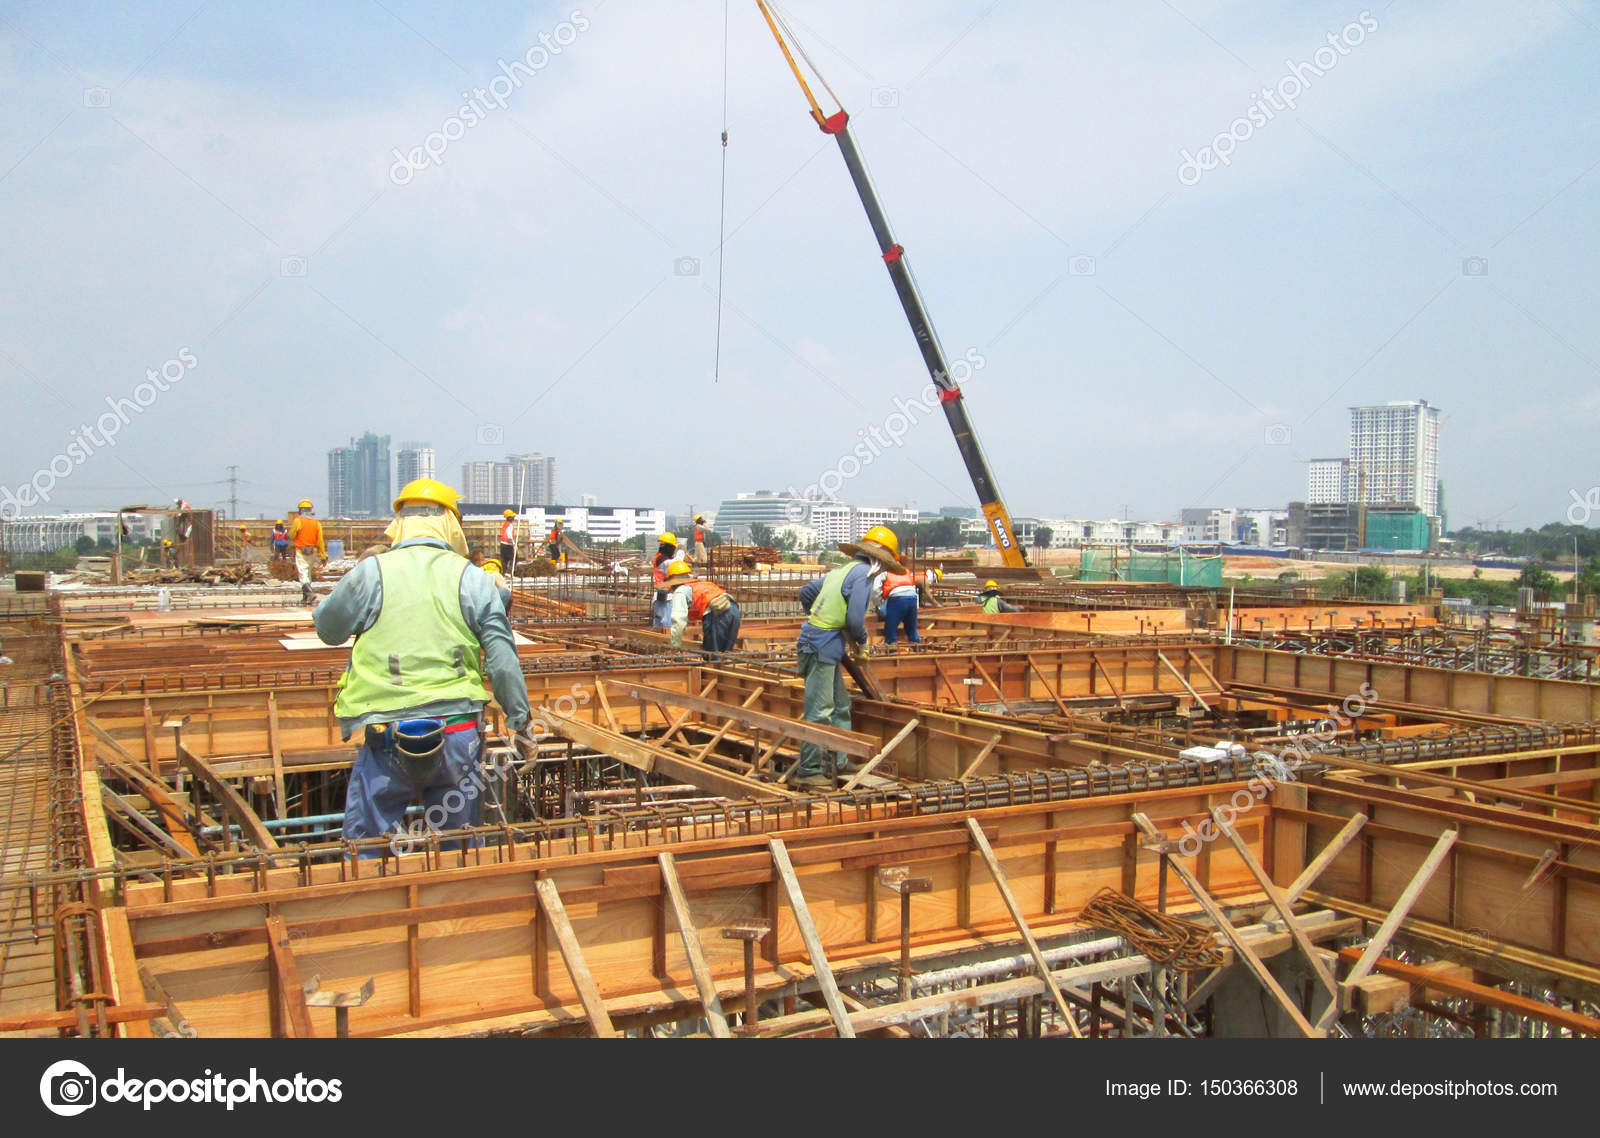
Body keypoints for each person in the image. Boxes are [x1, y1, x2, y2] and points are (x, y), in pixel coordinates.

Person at [313, 478, 530, 854]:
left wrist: (362, 589)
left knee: (369, 851)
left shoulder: (372, 573)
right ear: (450, 523)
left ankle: (372, 906)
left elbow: (328, 629)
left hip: (387, 735)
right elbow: (502, 660)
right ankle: (453, 907)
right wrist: (520, 722)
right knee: (456, 846)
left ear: (399, 521)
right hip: (458, 732)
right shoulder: (475, 580)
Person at [792, 525, 904, 784]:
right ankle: (809, 770)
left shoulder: (841, 570)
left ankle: (838, 762)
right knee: (819, 710)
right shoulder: (864, 574)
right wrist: (861, 643)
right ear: (881, 561)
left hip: (822, 643)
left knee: (840, 706)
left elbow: (807, 592)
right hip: (819, 644)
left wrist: (820, 615)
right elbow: (855, 619)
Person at [660, 559, 741, 654]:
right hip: (734, 611)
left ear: (672, 583)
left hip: (717, 615)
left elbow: (678, 620)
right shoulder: (701, 584)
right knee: (727, 655)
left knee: (713, 656)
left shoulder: (680, 591)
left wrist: (675, 646)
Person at [288, 498, 327, 605]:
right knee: (308, 573)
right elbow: (320, 541)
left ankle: (309, 593)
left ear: (300, 510)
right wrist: (323, 555)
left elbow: (291, 535)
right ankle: (305, 597)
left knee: (302, 573)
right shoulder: (316, 523)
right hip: (313, 551)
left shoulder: (298, 521)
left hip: (301, 551)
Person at [878, 563, 922, 645]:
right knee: (911, 628)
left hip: (897, 599)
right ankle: (916, 647)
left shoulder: (885, 573)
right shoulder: (906, 571)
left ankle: (892, 649)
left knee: (890, 627)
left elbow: (875, 588)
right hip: (912, 598)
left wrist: (878, 602)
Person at [650, 532, 680, 629]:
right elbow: (675, 563)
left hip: (660, 597)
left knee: (658, 627)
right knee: (666, 627)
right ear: (670, 547)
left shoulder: (660, 557)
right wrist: (681, 552)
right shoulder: (662, 560)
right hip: (665, 599)